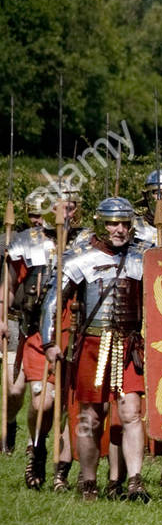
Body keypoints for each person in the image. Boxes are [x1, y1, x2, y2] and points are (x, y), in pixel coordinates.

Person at [40, 197, 147, 500]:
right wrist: (49, 342)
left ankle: (135, 481)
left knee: (132, 412)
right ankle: (88, 481)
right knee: (90, 417)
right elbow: (53, 302)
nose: (121, 229)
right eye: (114, 223)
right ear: (102, 223)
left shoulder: (143, 258)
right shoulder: (78, 259)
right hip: (92, 345)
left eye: (126, 223)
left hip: (129, 345)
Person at [6, 188, 59, 485]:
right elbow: (8, 286)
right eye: (35, 214)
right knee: (16, 392)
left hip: (63, 330)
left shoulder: (75, 244)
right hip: (23, 323)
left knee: (51, 402)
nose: (40, 220)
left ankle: (37, 447)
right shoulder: (19, 243)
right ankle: (12, 431)